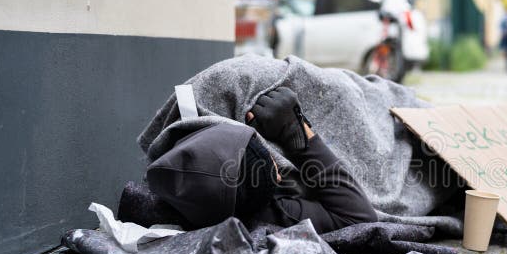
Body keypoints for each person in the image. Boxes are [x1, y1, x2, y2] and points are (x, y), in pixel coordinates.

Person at [147, 87, 378, 233]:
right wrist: (296, 132)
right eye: (274, 179)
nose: (279, 175)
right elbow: (359, 218)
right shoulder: (258, 209)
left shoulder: (208, 94)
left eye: (269, 161)